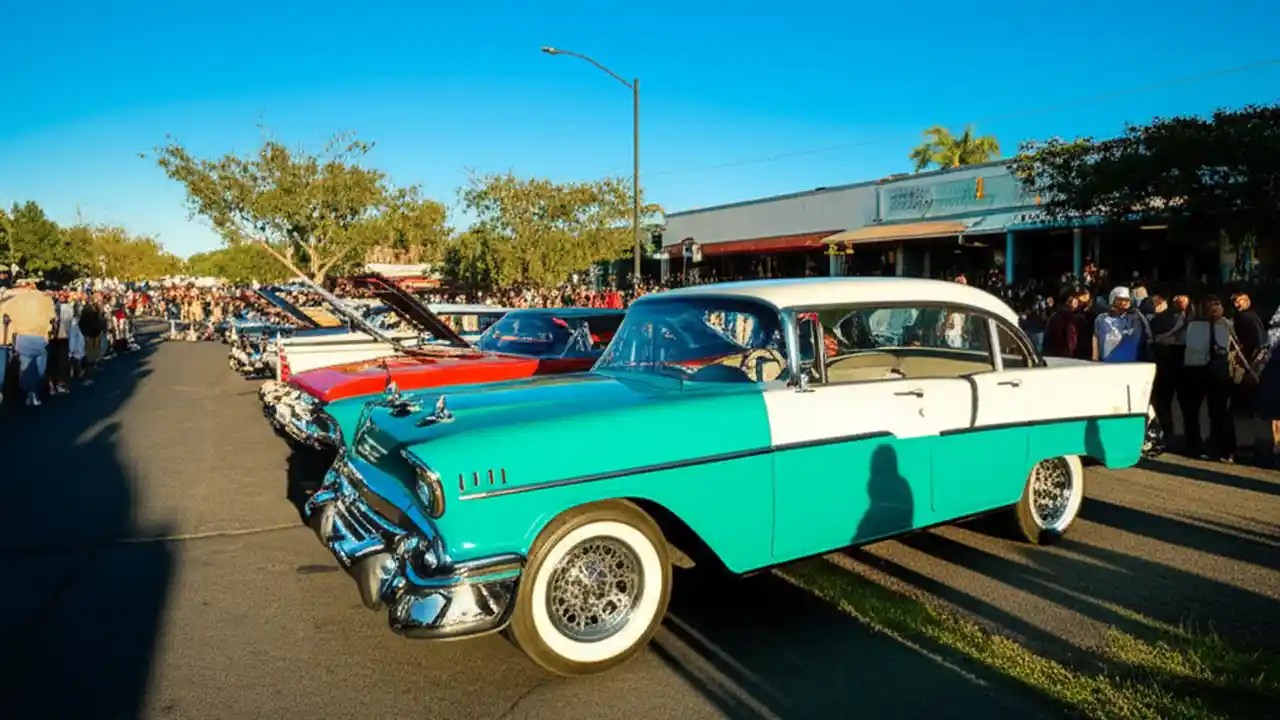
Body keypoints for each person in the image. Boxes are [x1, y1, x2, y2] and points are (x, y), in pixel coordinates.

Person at [1182, 295, 1236, 462]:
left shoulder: (1227, 325)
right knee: (1191, 410)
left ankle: (1223, 448)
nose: (1214, 309)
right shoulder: (1194, 325)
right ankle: (1193, 446)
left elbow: (1233, 346)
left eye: (1217, 305)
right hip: (1196, 369)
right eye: (1210, 306)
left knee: (1219, 410)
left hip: (1219, 370)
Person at [0, 278, 56, 407]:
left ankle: (28, 392)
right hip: (40, 336)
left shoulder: (14, 300)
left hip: (22, 336)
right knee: (40, 368)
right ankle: (34, 392)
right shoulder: (44, 298)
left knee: (25, 367)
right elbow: (52, 317)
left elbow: (5, 313)